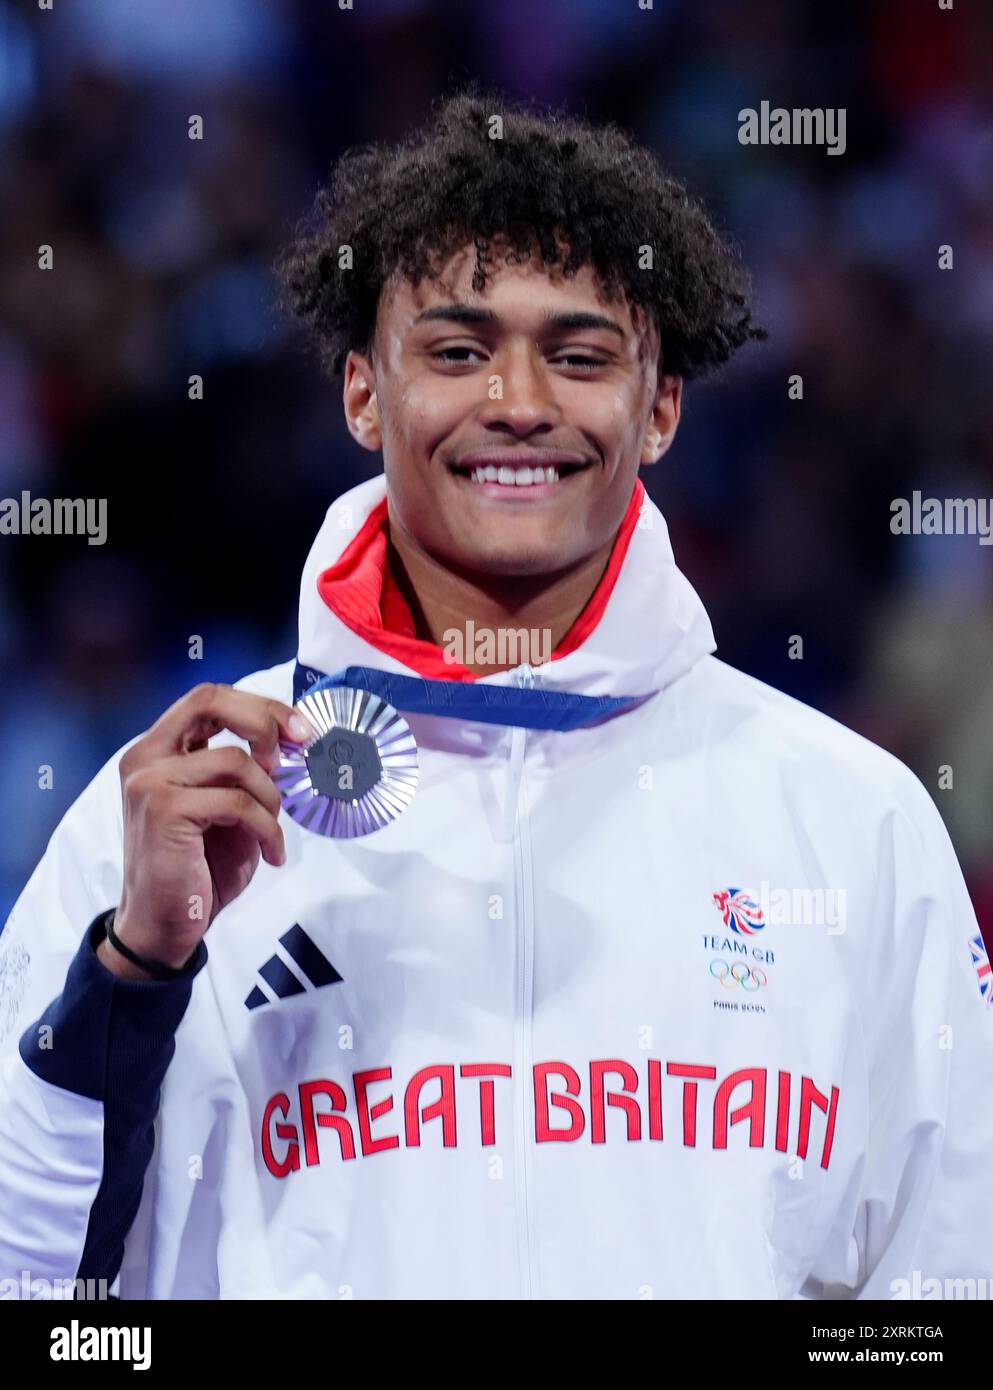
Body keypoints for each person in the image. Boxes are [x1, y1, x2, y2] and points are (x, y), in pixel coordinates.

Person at [1, 95, 990, 1301]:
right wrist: (132, 979)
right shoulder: (171, 820)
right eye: (458, 350)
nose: (519, 401)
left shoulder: (850, 822)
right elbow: (37, 1294)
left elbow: (947, 1282)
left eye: (579, 355)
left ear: (660, 407)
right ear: (364, 394)